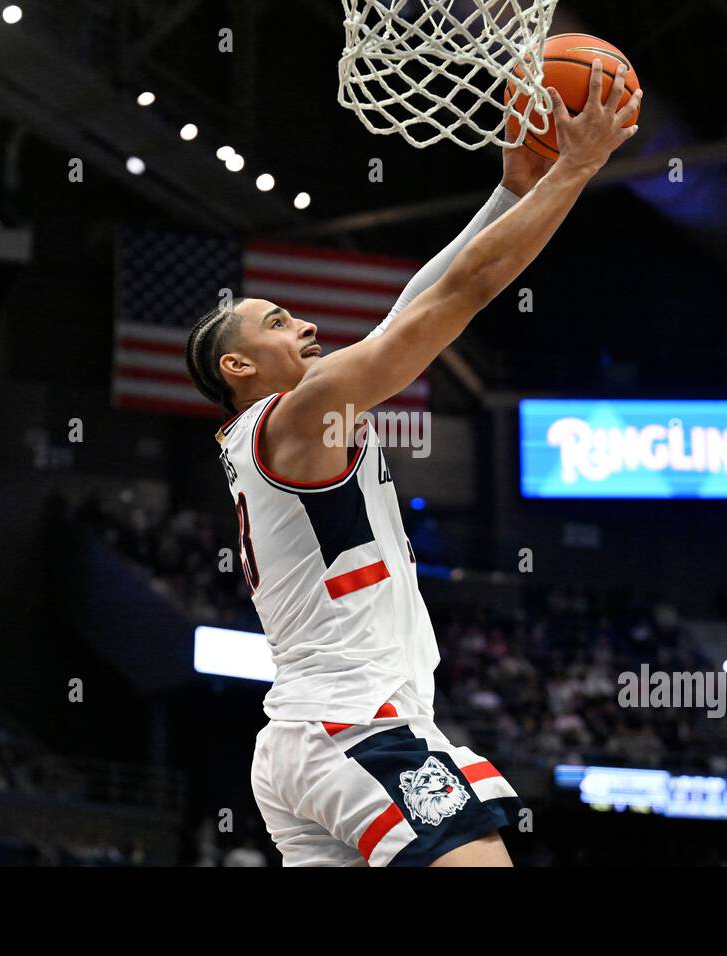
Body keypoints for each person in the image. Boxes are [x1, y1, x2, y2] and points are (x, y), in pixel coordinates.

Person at [184, 64, 642, 866]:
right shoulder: (299, 414)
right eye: (278, 320)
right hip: (353, 725)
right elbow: (459, 296)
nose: (308, 325)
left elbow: (418, 303)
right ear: (238, 369)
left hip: (310, 737)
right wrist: (576, 168)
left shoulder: (287, 428)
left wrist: (509, 192)